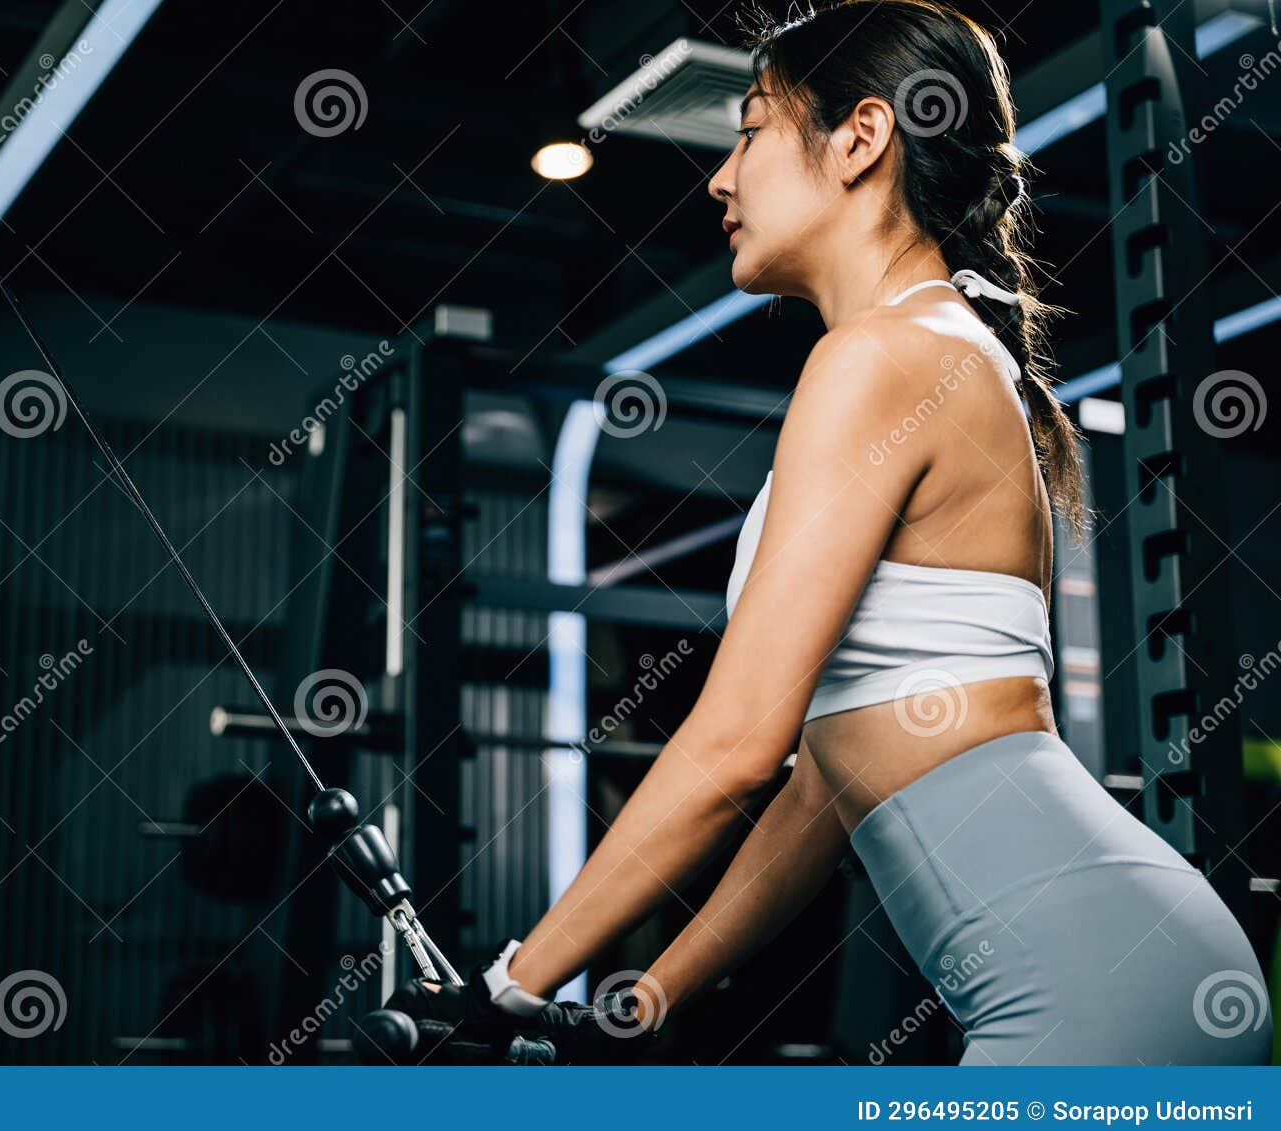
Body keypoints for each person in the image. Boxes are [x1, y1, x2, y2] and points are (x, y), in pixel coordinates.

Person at [392, 0, 1272, 1065]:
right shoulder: (935, 353)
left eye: (752, 129)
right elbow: (820, 785)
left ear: (861, 139)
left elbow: (731, 748)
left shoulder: (881, 359)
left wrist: (508, 988)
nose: (720, 177)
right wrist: (644, 998)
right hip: (1135, 966)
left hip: (1087, 989)